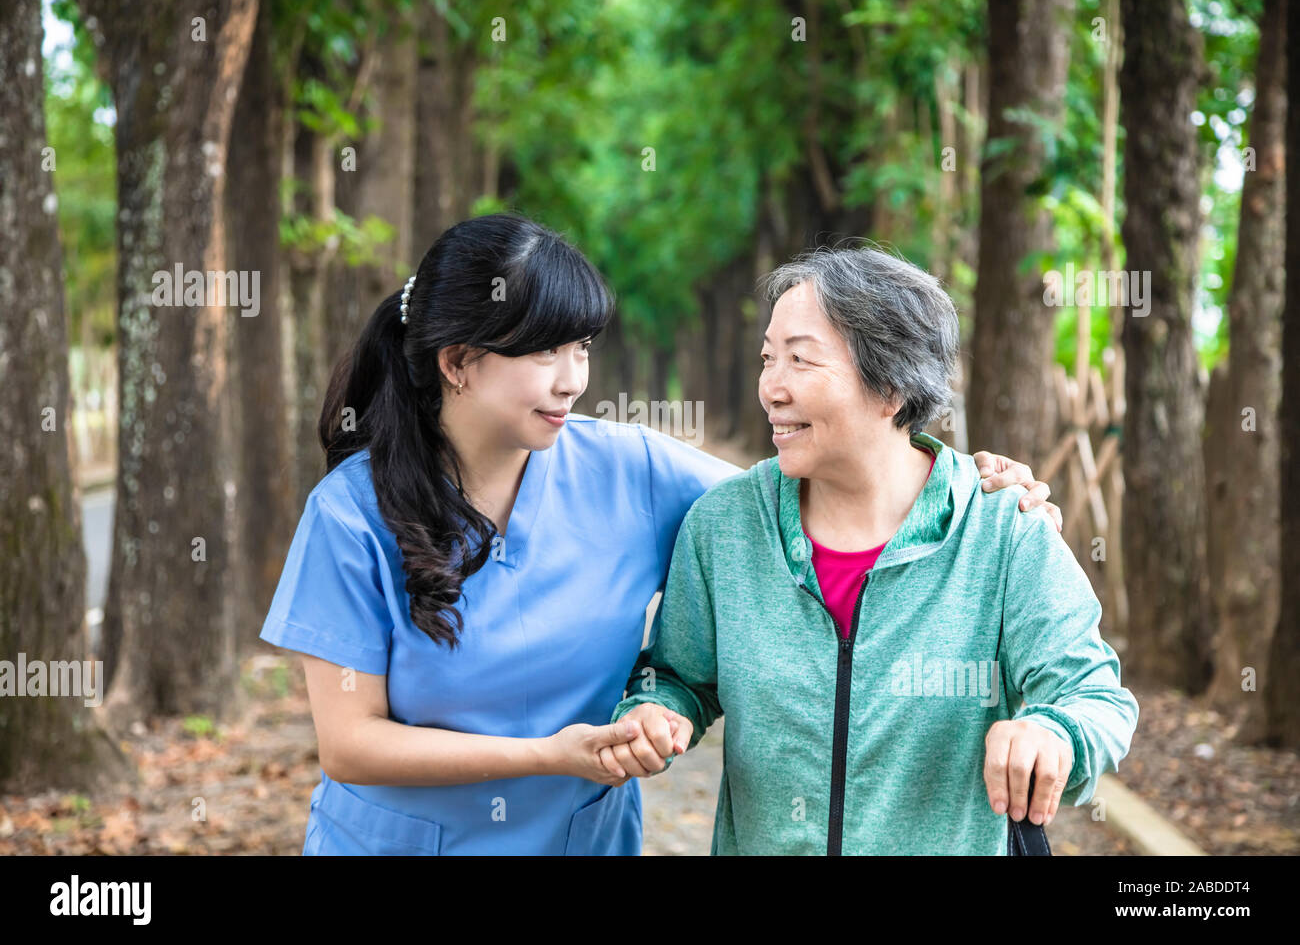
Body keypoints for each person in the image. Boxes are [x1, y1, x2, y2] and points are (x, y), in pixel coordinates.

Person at [260, 214, 1062, 854]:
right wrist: (548, 755)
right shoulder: (348, 514)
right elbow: (351, 744)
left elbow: (812, 504)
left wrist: (959, 479)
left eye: (580, 346)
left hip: (582, 841)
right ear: (460, 361)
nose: (573, 378)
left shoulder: (631, 471)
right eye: (543, 350)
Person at [607, 243, 1138, 855]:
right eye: (767, 360)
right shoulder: (725, 526)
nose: (771, 389)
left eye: (801, 361)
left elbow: (1093, 692)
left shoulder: (1002, 530)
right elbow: (678, 676)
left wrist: (1055, 734)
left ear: (891, 385)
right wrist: (653, 710)